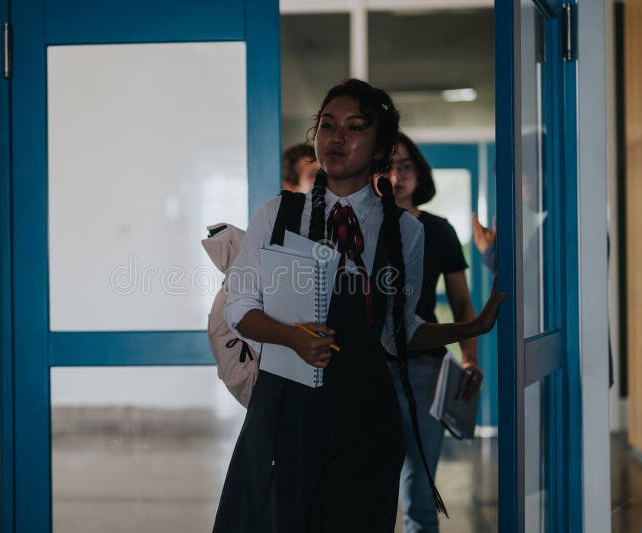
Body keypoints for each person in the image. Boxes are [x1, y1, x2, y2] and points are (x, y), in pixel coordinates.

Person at [212, 79, 504, 533]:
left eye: (354, 127)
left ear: (381, 146)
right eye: (327, 125)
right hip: (287, 410)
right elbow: (240, 308)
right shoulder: (278, 214)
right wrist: (291, 337)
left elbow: (396, 332)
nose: (337, 137)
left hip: (365, 411)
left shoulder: (406, 231)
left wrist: (469, 329)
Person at [376, 132, 482, 533]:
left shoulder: (438, 230)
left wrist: (469, 356)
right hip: (367, 367)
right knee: (368, 485)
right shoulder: (359, 227)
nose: (397, 175)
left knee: (420, 493)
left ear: (419, 174)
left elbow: (462, 303)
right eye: (387, 166)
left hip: (424, 368)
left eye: (406, 166)